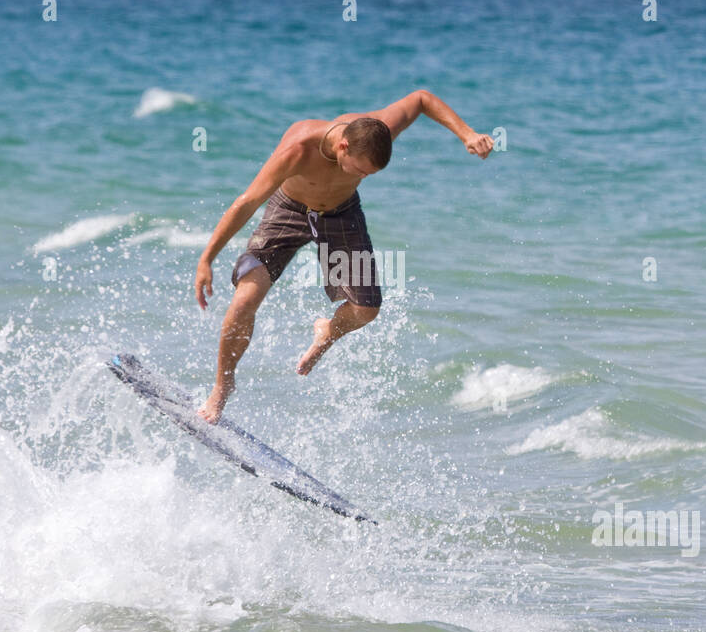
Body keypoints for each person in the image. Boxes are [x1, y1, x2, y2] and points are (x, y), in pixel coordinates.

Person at [193, 91, 493, 421]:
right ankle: (222, 387)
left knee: (366, 310)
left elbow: (421, 100)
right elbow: (246, 202)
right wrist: (207, 258)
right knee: (244, 299)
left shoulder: (375, 130)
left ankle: (328, 332)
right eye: (360, 171)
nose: (362, 177)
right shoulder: (298, 148)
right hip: (289, 211)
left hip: (341, 214)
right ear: (343, 146)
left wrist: (467, 133)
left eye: (369, 175)